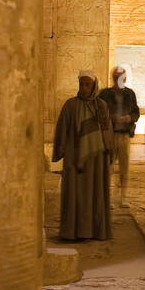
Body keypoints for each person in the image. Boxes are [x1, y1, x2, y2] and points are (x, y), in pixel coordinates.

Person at [52, 71, 114, 241]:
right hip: (75, 157)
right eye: (81, 84)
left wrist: (110, 151)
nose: (84, 88)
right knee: (75, 194)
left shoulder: (101, 105)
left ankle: (95, 231)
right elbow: (62, 129)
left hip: (96, 159)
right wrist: (61, 150)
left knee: (95, 193)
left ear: (94, 86)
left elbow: (107, 130)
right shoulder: (70, 105)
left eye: (87, 85)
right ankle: (73, 232)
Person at [99, 65, 140, 205]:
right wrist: (111, 117)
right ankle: (107, 197)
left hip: (124, 134)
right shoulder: (104, 94)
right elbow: (99, 112)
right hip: (110, 134)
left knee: (124, 166)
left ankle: (123, 196)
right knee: (108, 167)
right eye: (116, 77)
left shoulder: (130, 94)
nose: (119, 80)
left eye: (121, 77)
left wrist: (129, 118)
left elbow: (136, 112)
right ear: (113, 78)